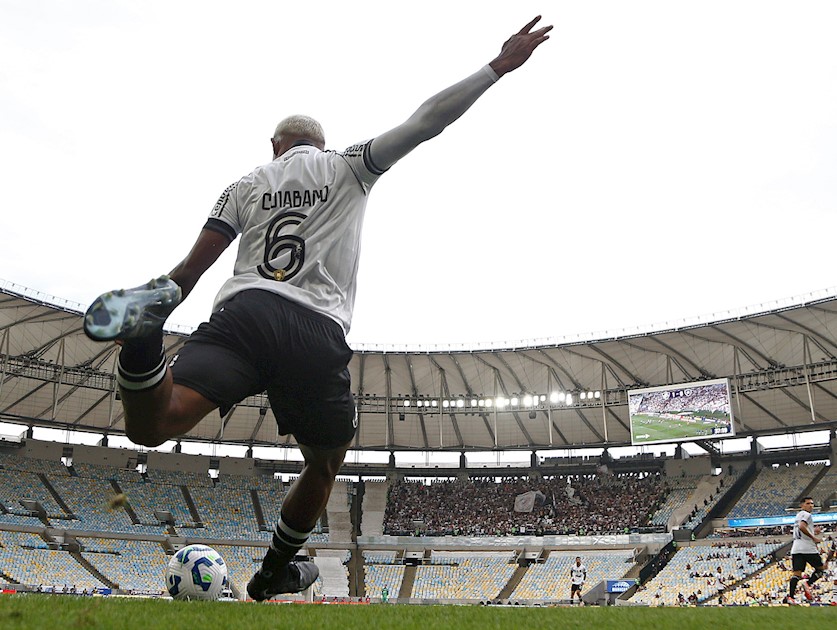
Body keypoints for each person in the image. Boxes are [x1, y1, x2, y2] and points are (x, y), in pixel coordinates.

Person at [82, 16, 552, 603]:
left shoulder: (248, 182)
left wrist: (169, 292)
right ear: (319, 144)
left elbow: (193, 267)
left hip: (243, 314)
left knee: (154, 424)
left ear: (275, 147)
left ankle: (145, 344)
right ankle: (276, 568)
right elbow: (424, 123)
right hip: (313, 327)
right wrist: (496, 68)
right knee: (324, 461)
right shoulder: (349, 166)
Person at [787, 496, 825, 604]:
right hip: (808, 547)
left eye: (812, 503)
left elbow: (801, 527)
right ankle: (808, 583)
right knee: (821, 569)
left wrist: (813, 531)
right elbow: (802, 527)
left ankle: (791, 597)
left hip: (796, 548)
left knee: (797, 574)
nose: (811, 505)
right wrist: (814, 538)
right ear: (802, 505)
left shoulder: (798, 515)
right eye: (808, 503)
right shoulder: (807, 515)